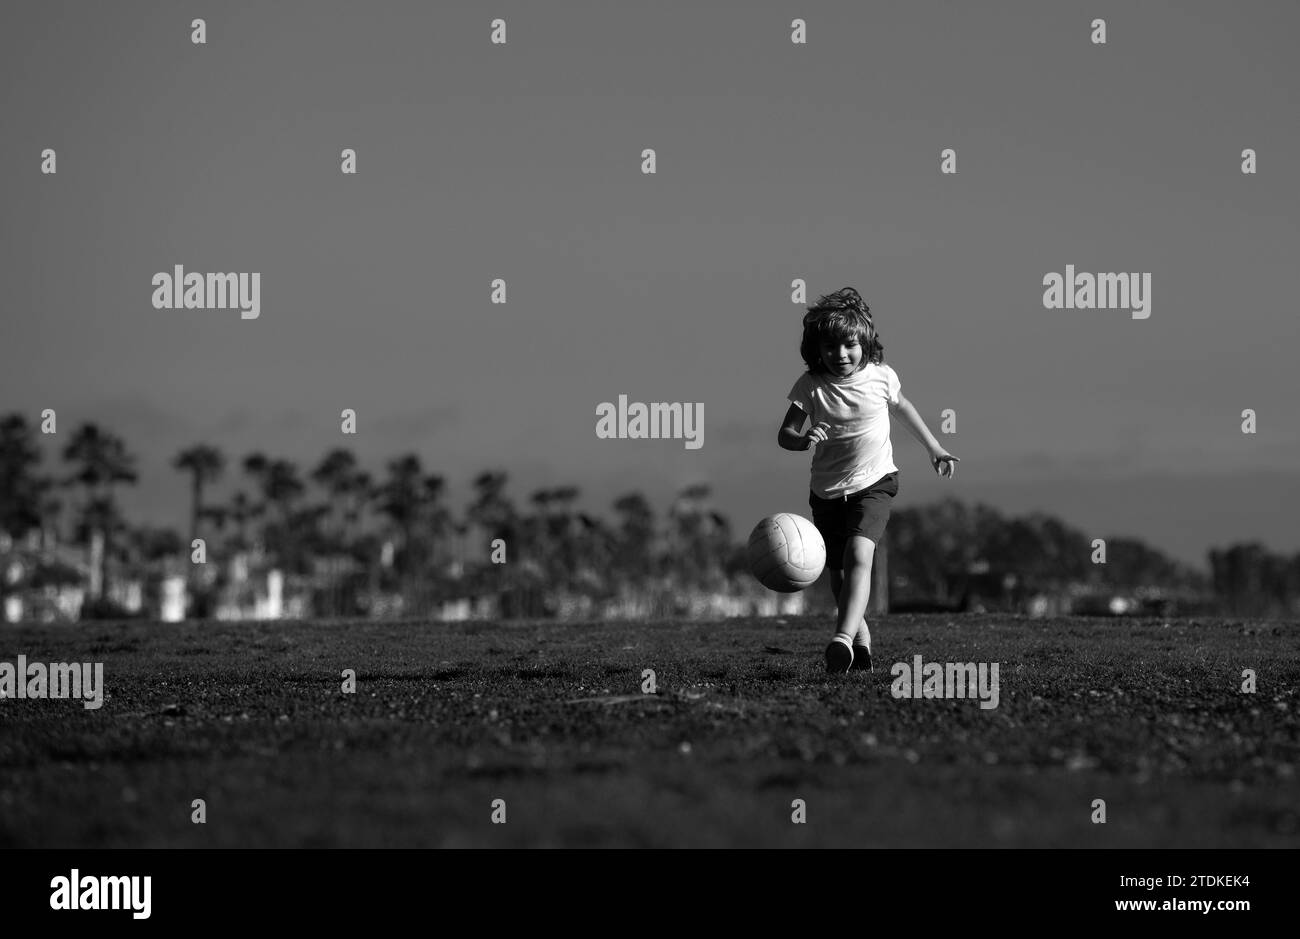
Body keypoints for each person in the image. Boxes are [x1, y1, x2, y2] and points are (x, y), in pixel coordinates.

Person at [777, 288, 959, 673]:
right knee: (839, 577)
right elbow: (785, 434)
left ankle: (840, 639)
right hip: (826, 492)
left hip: (875, 484)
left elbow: (903, 408)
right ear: (816, 349)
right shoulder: (810, 385)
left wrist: (935, 448)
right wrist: (804, 439)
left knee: (861, 555)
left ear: (865, 343)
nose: (840, 354)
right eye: (830, 347)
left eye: (849, 345)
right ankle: (860, 638)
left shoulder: (881, 377)